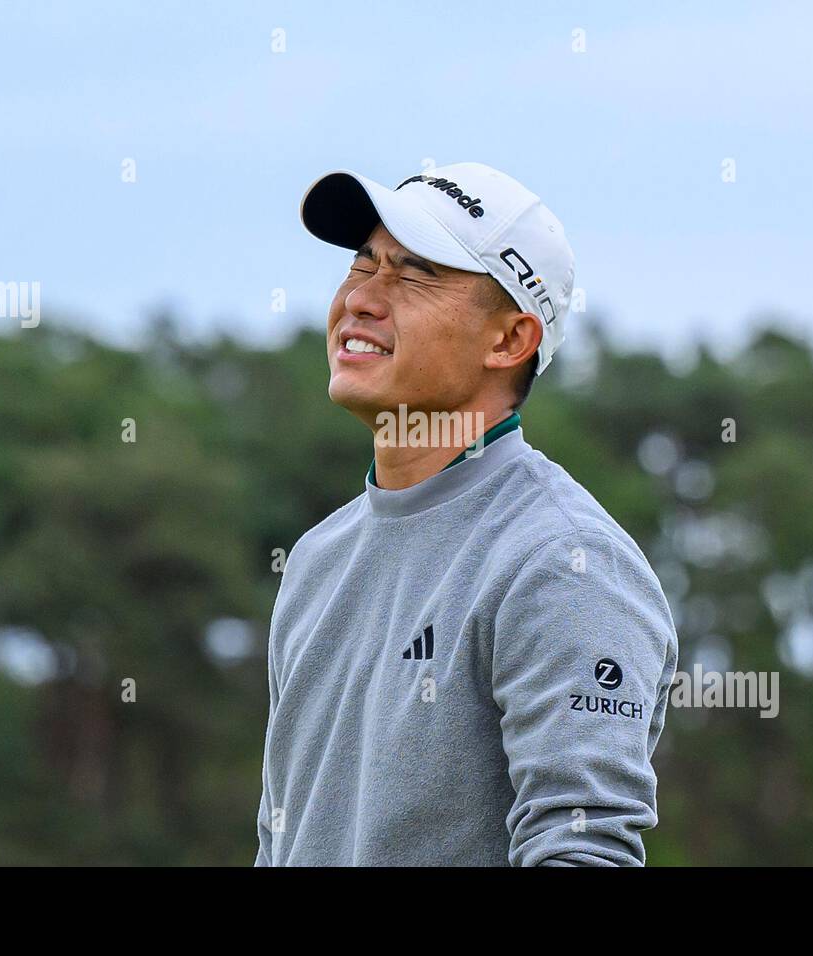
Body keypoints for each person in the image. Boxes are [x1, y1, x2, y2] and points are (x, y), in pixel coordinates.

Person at [255, 162, 678, 866]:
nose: (363, 297)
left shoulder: (563, 564)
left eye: (414, 273)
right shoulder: (315, 558)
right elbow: (279, 841)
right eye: (364, 262)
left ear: (510, 340)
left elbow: (582, 850)